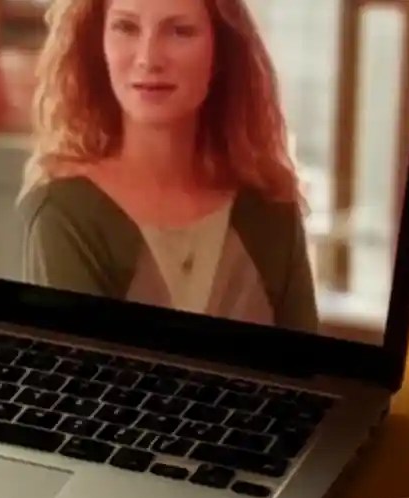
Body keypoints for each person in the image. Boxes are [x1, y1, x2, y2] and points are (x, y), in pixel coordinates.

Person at [18, 0, 319, 333]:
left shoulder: (270, 210)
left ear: (220, 53)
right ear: (97, 43)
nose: (148, 58)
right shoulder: (65, 212)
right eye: (126, 27)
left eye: (179, 31)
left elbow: (310, 377)